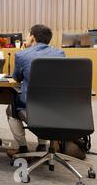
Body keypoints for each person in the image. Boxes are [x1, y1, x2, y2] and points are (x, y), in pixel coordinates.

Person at [6, 24, 65, 158]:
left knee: (11, 109)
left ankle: (23, 148)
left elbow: (16, 78)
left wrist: (24, 50)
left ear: (32, 37)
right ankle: (42, 145)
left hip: (32, 107)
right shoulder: (60, 53)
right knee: (43, 99)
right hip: (57, 107)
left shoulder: (22, 54)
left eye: (28, 35)